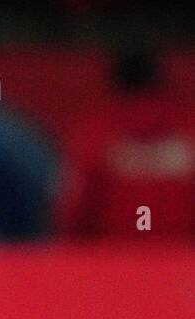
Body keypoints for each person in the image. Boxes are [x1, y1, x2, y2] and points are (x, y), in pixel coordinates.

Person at [57, 46, 195, 240]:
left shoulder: (94, 136)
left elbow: (73, 211)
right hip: (184, 263)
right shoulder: (189, 131)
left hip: (113, 264)